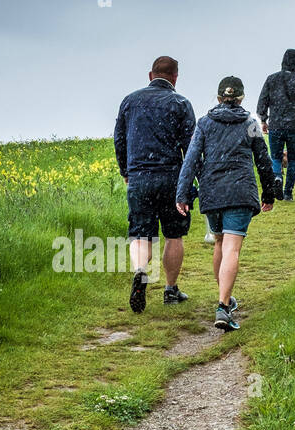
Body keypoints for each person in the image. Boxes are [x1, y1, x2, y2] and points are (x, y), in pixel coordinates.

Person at [175, 75, 276, 332]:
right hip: (240, 192)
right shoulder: (250, 123)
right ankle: (222, 306)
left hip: (213, 193)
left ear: (219, 98)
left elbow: (191, 159)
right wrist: (269, 193)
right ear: (241, 98)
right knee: (232, 248)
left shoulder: (205, 123)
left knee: (219, 242)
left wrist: (183, 194)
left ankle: (225, 297)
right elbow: (263, 161)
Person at [113, 55, 196, 313]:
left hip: (140, 177)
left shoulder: (130, 101)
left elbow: (119, 139)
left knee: (140, 233)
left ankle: (140, 271)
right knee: (174, 233)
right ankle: (171, 290)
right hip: (171, 177)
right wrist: (190, 179)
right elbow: (190, 147)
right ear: (175, 78)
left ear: (151, 75)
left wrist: (126, 171)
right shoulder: (181, 103)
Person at [256, 48, 295, 201]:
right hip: (294, 127)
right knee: (293, 159)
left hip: (276, 125)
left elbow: (262, 102)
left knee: (275, 157)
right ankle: (288, 193)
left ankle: (277, 179)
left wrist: (263, 120)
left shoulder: (271, 79)